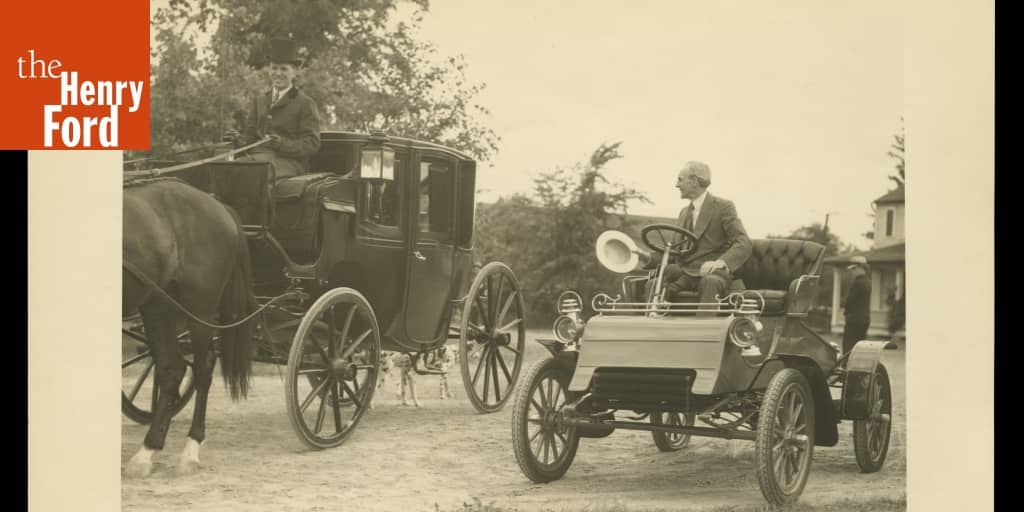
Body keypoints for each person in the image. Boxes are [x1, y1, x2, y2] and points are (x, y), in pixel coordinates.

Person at [653, 161, 752, 312]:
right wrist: (639, 255)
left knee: (710, 282)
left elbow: (743, 243)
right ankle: (653, 330)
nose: (676, 185)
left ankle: (706, 333)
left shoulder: (723, 207)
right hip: (685, 272)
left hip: (713, 273)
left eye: (680, 179)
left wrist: (719, 263)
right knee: (654, 284)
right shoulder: (683, 212)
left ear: (694, 181)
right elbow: (673, 251)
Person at [230, 37, 321, 183]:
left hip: (290, 163)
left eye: (283, 69)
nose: (277, 73)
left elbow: (311, 144)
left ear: (295, 72)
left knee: (255, 172)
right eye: (274, 68)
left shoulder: (305, 103)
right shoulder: (259, 101)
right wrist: (238, 141)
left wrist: (281, 144)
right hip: (258, 158)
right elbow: (250, 138)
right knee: (226, 169)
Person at [841, 255, 872, 355]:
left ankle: (846, 368)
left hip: (854, 320)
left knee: (848, 347)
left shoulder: (858, 282)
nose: (852, 272)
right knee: (860, 347)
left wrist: (846, 312)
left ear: (860, 268)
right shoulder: (868, 281)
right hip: (865, 319)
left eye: (854, 269)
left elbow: (850, 302)